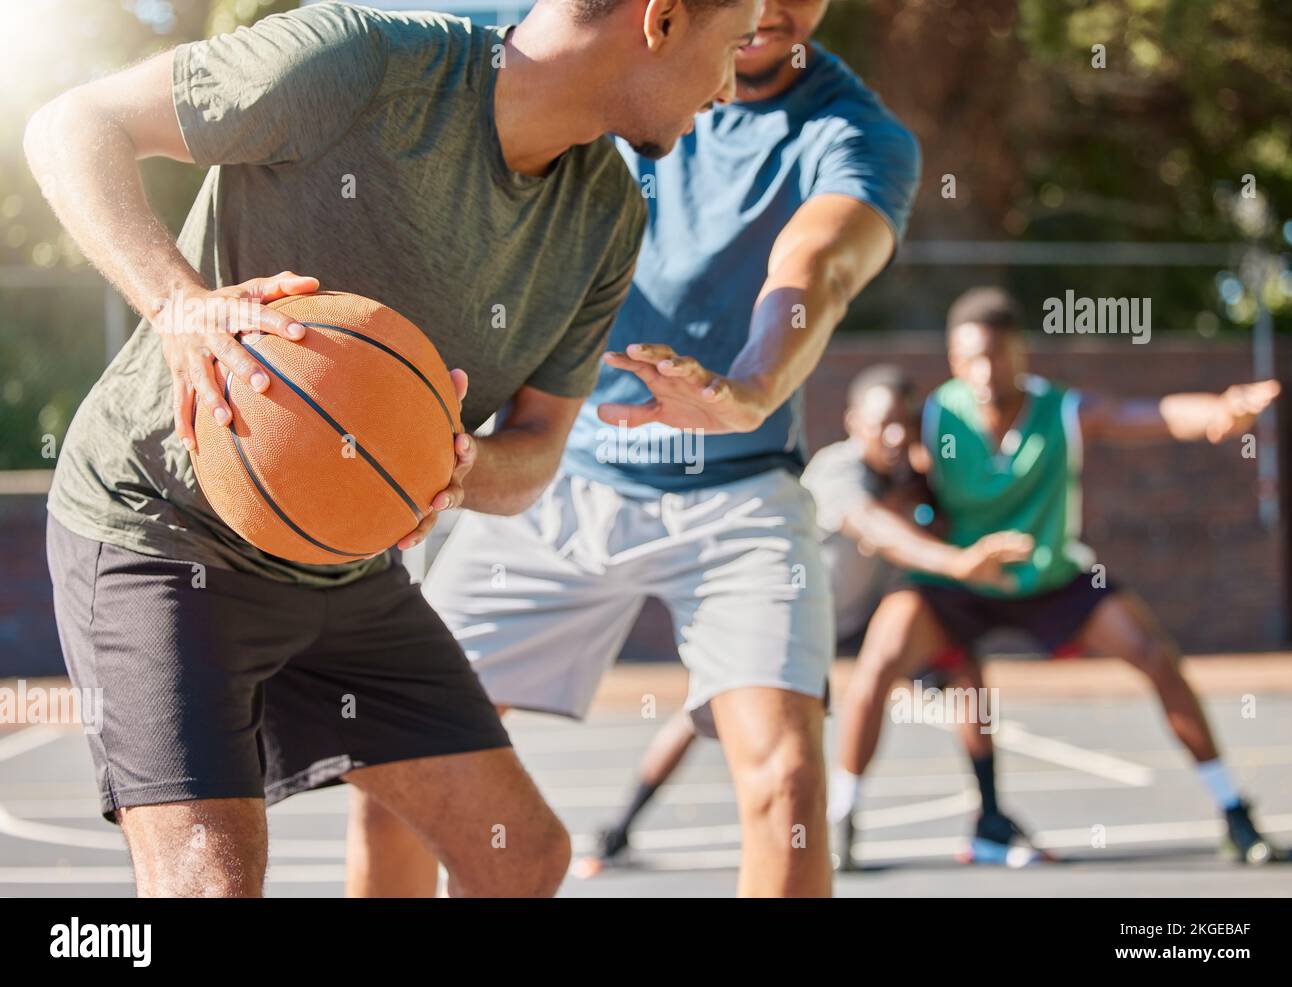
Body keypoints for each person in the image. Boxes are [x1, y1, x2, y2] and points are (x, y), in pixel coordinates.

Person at [27, 0, 761, 897]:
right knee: (208, 883)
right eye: (730, 47)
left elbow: (534, 451)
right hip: (165, 530)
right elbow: (73, 124)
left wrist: (456, 470)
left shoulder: (607, 216)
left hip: (343, 561)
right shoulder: (361, 62)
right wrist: (178, 302)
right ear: (661, 19)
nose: (731, 86)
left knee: (521, 854)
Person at [349, 0, 920, 898]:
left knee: (787, 783)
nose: (769, 8)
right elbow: (381, 42)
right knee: (401, 762)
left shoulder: (856, 133)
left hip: (739, 490)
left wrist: (752, 388)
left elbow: (817, 266)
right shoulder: (591, 36)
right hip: (555, 468)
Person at [829, 286, 1283, 869]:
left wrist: (1217, 413)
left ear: (1018, 353)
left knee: (1152, 654)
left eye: (994, 355)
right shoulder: (936, 418)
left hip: (1051, 577)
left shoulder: (1063, 412)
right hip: (961, 580)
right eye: (968, 358)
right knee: (879, 657)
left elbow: (1145, 415)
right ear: (952, 360)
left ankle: (1234, 814)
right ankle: (842, 816)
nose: (983, 371)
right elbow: (887, 462)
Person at [573, 365, 1032, 875]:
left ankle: (989, 821)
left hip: (860, 621)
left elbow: (944, 512)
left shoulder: (913, 478)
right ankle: (619, 829)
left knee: (963, 670)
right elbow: (874, 527)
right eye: (885, 425)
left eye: (906, 424)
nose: (897, 437)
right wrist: (956, 561)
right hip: (793, 617)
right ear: (856, 423)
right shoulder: (841, 471)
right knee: (701, 712)